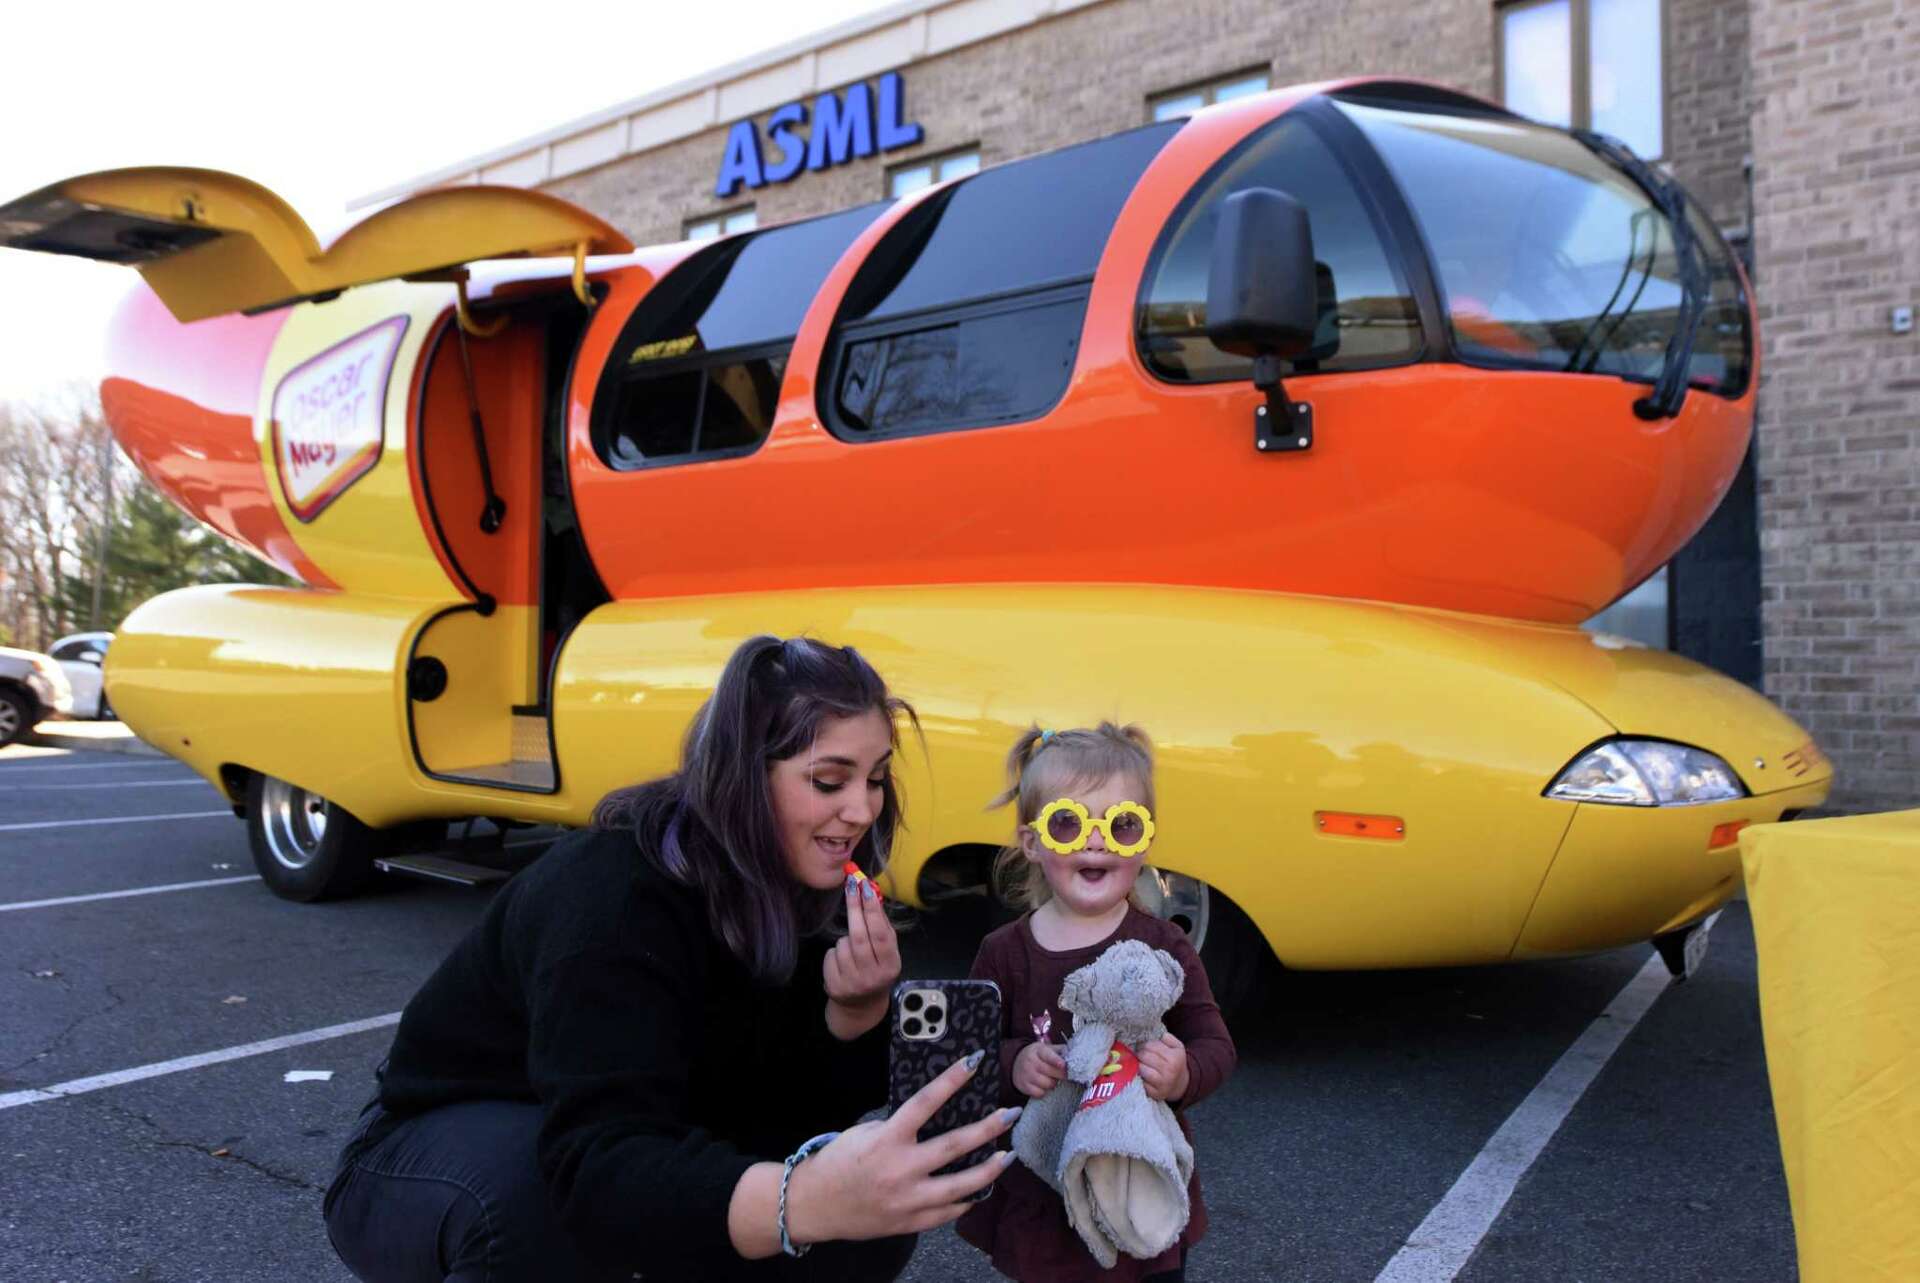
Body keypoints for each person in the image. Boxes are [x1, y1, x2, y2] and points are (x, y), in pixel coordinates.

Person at [323, 635, 1020, 1282]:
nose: (865, 809)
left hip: (616, 1132)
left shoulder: (806, 881)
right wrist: (801, 1197)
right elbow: (600, 1165)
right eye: (830, 780)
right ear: (746, 774)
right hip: (428, 1151)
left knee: (861, 1221)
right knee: (537, 1203)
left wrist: (851, 1016)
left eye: (874, 778)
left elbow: (780, 1104)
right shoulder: (613, 898)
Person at [957, 723, 1237, 1283]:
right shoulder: (1004, 953)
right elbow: (966, 1057)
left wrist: (1183, 1074)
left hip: (1139, 1187)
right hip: (1044, 1194)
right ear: (1032, 841)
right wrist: (1013, 1061)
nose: (1096, 840)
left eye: (1122, 824)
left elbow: (1216, 1045)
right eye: (1068, 822)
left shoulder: (1165, 947)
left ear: (1144, 841)